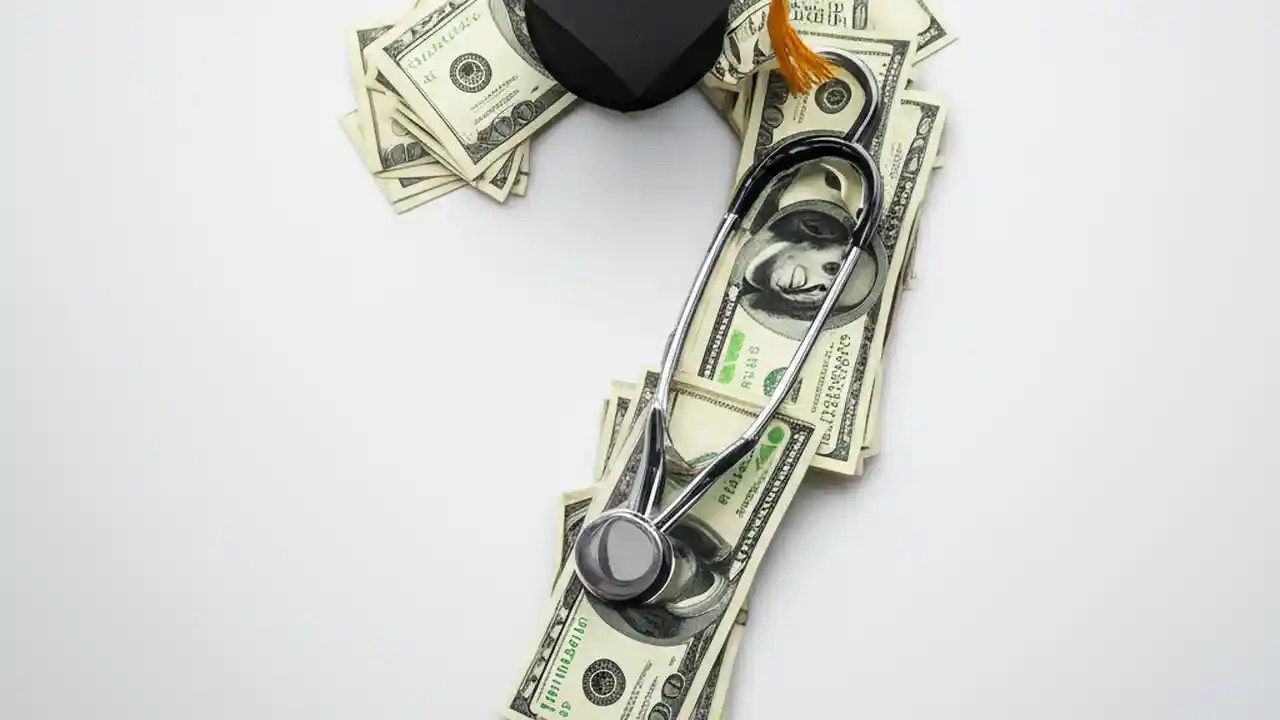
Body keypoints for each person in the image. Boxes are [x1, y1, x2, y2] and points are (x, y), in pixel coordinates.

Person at [736, 161, 882, 338]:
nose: (818, 286)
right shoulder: (778, 192)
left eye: (828, 294)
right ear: (818, 233)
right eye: (832, 268)